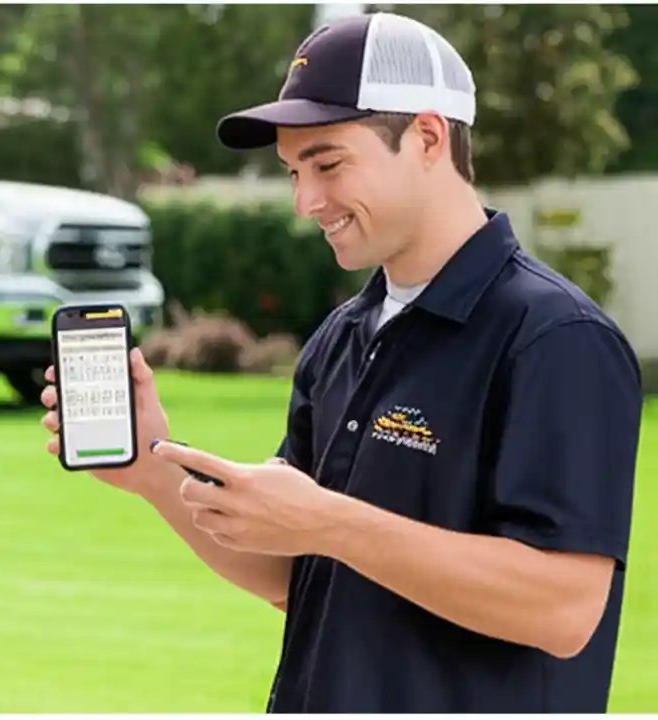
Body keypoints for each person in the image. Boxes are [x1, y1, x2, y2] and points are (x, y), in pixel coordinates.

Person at [39, 11, 643, 714]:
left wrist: (328, 520)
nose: (306, 201)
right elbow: (290, 575)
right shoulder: (341, 337)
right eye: (295, 172)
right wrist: (149, 467)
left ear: (426, 137)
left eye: (328, 164)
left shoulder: (554, 337)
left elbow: (563, 609)